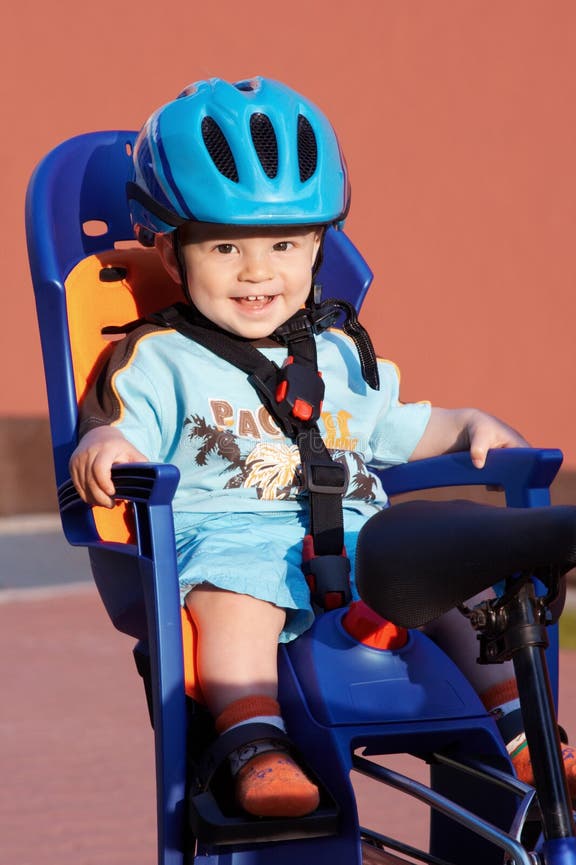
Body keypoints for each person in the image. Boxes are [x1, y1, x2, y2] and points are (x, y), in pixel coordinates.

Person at [69, 76, 575, 818]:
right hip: (236, 541)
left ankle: (529, 734)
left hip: (369, 548)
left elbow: (402, 426)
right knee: (234, 602)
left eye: (283, 244)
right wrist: (107, 442)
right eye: (224, 247)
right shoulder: (160, 357)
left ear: (316, 248)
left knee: (469, 590)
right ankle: (255, 746)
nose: (256, 271)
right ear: (174, 259)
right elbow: (122, 429)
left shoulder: (338, 352)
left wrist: (468, 424)